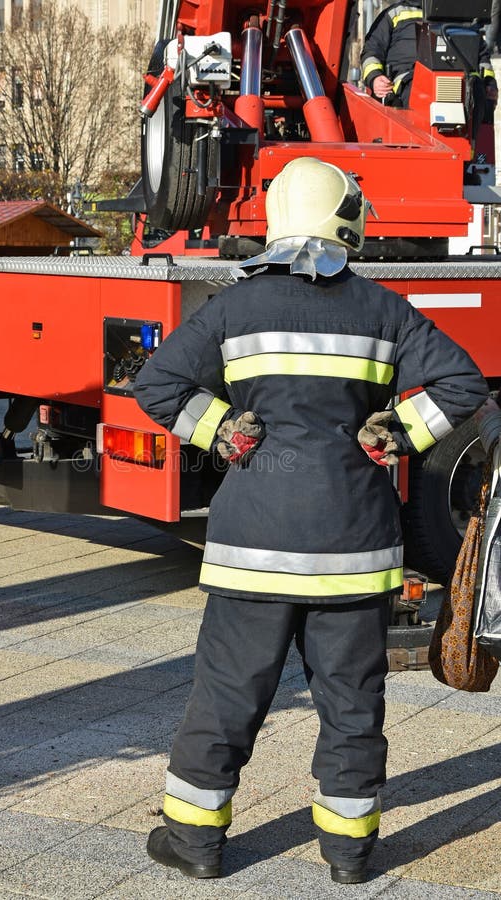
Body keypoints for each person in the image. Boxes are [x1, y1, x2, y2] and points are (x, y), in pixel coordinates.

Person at [132, 157, 489, 884]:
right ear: (345, 221)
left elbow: (156, 382)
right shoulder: (380, 307)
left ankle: (195, 841)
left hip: (251, 546)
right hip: (354, 545)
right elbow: (462, 383)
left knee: (229, 693)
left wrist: (222, 429)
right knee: (351, 701)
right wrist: (398, 432)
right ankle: (350, 854)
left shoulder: (234, 307)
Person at [361, 0, 497, 113]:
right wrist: (375, 77)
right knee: (419, 93)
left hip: (461, 80)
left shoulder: (459, 13)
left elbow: (480, 54)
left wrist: (489, 82)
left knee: (478, 92)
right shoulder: (394, 14)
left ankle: (470, 145)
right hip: (409, 81)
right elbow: (371, 51)